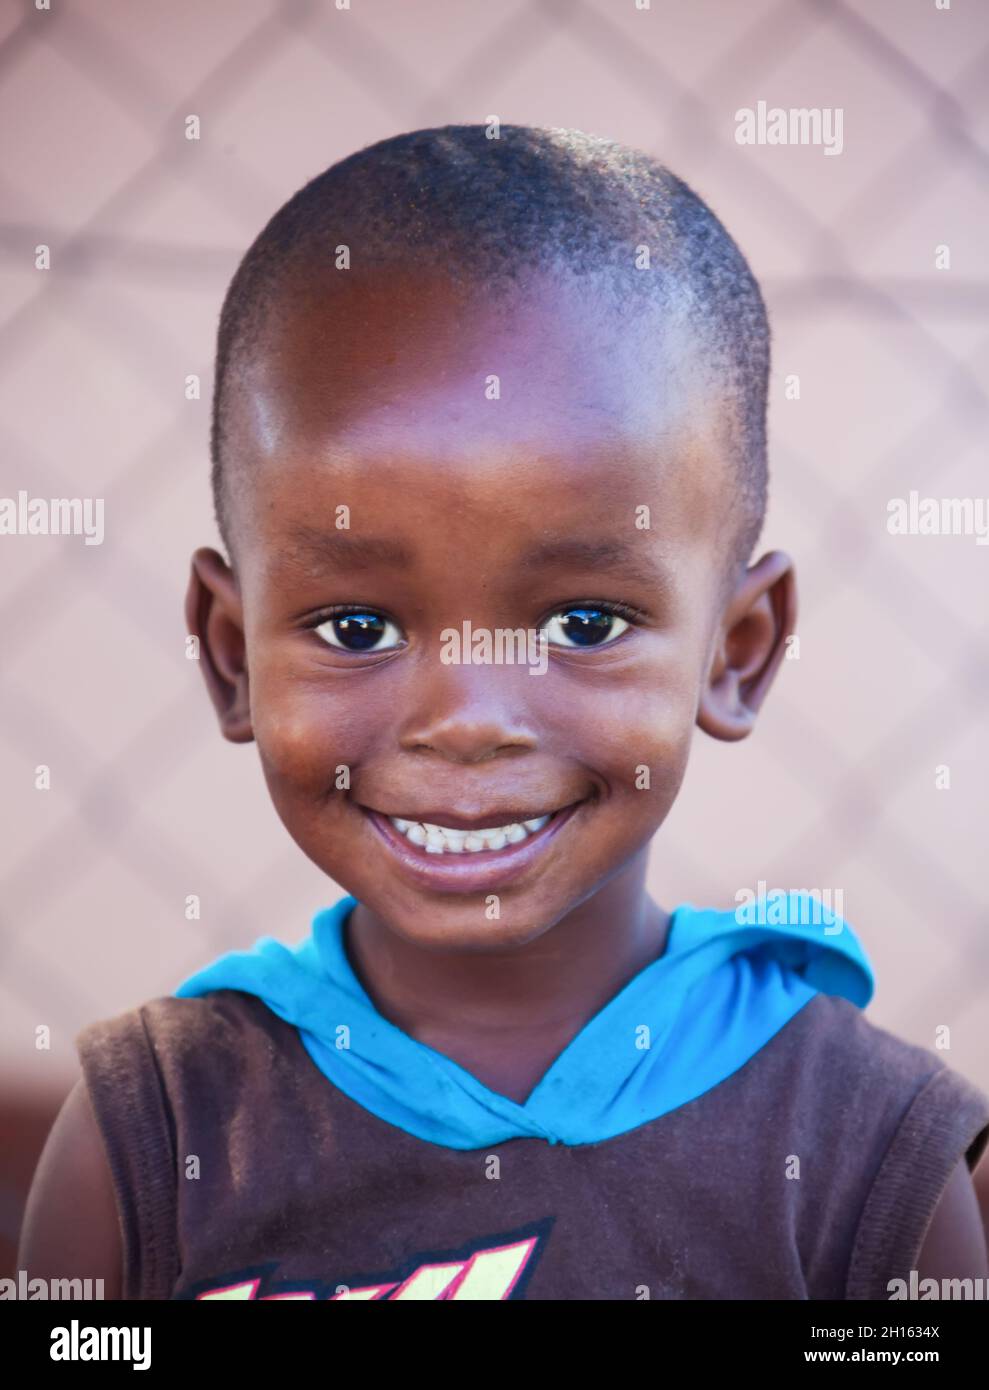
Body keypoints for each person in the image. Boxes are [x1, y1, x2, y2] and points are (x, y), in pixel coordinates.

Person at [18, 125, 989, 1300]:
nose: (467, 718)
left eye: (583, 622)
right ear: (231, 656)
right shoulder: (148, 1148)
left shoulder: (866, 1164)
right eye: (356, 627)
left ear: (735, 651)